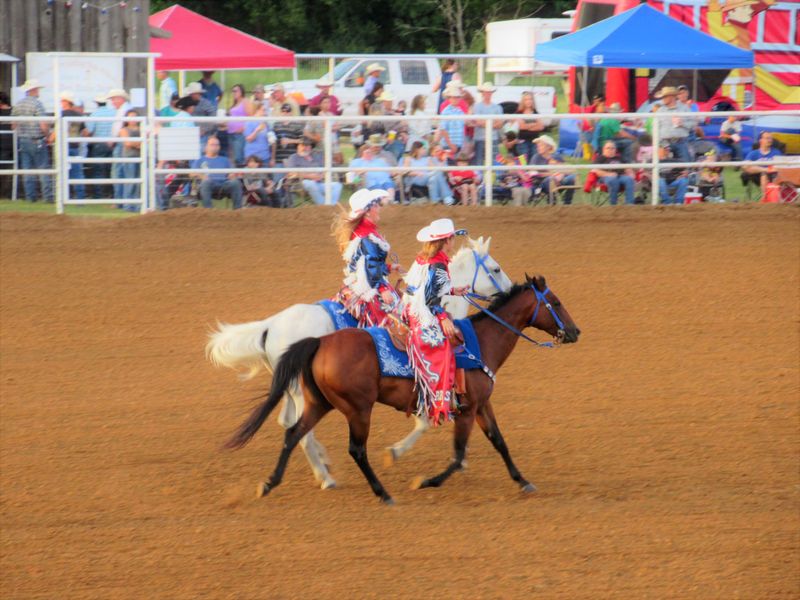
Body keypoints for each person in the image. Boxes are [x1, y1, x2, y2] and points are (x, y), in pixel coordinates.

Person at [402, 218, 470, 425]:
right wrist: (442, 319)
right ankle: (439, 402)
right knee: (444, 347)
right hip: (424, 313)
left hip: (410, 307)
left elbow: (428, 287)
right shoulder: (438, 264)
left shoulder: (424, 258)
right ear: (446, 241)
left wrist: (453, 290)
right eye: (452, 239)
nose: (453, 242)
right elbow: (431, 297)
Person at [333, 188, 400, 327]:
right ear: (368, 211)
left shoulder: (361, 231)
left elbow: (368, 263)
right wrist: (383, 289)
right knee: (395, 319)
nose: (379, 208)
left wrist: (388, 267)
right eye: (376, 205)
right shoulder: (367, 236)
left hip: (358, 282)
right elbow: (371, 264)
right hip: (369, 285)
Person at [11, 79, 53, 203]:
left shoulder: (18, 104)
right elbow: (43, 124)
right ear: (34, 90)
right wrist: (48, 135)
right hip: (37, 139)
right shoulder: (37, 104)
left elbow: (13, 125)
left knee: (27, 169)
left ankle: (30, 197)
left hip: (23, 140)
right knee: (43, 169)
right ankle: (47, 197)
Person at [285, 137, 342, 205]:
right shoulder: (294, 157)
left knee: (337, 185)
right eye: (302, 145)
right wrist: (310, 176)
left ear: (310, 147)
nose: (304, 148)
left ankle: (331, 204)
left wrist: (321, 175)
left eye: (307, 145)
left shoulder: (316, 156)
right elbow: (291, 173)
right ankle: (325, 206)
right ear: (298, 147)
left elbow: (325, 169)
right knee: (310, 184)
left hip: (319, 182)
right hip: (301, 183)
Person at [191, 136, 243, 209]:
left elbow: (232, 172)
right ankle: (208, 210)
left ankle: (238, 209)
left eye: (217, 145)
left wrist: (232, 175)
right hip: (209, 185)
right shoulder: (200, 160)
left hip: (224, 185)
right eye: (212, 145)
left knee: (235, 182)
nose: (215, 147)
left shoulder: (225, 160)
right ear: (206, 147)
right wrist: (201, 176)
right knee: (206, 182)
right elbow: (191, 173)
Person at [531, 134, 576, 205]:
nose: (538, 147)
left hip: (559, 181)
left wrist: (561, 172)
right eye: (537, 146)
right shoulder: (536, 157)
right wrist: (551, 174)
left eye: (541, 145)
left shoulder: (556, 157)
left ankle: (567, 203)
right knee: (550, 179)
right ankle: (552, 204)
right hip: (542, 184)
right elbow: (533, 173)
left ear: (548, 147)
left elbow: (568, 169)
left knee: (572, 178)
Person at [349, 137, 397, 203]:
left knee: (389, 185)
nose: (369, 153)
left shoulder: (380, 161)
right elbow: (353, 179)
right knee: (379, 188)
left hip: (384, 181)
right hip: (370, 184)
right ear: (362, 152)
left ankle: (390, 200)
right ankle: (385, 202)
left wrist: (394, 173)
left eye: (370, 152)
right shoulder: (356, 162)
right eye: (367, 152)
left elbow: (389, 172)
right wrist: (359, 174)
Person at [59, 91, 88, 201]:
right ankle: (80, 197)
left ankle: (62, 196)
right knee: (77, 172)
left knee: (62, 171)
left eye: (62, 101)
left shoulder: (61, 115)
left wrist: (49, 139)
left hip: (63, 146)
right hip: (75, 146)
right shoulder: (78, 115)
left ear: (66, 102)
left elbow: (56, 132)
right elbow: (85, 132)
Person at [589, 140, 636, 205]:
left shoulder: (619, 158)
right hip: (605, 178)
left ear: (615, 150)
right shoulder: (600, 158)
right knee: (613, 180)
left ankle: (630, 204)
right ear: (603, 150)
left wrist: (631, 174)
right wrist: (609, 174)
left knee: (629, 179)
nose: (610, 150)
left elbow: (627, 168)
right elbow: (595, 170)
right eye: (608, 148)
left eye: (612, 148)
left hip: (620, 176)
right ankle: (613, 205)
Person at [654, 86, 691, 162]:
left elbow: (693, 124)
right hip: (665, 143)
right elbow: (655, 129)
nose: (663, 99)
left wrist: (682, 123)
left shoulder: (684, 108)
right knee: (662, 165)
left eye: (664, 97)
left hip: (681, 142)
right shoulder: (660, 111)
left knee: (686, 164)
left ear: (671, 97)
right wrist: (662, 144)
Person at [470, 82, 503, 167]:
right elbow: (478, 122)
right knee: (479, 162)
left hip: (493, 138)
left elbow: (500, 124)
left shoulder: (497, 107)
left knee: (494, 162)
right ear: (482, 93)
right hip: (480, 138)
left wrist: (485, 123)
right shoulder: (477, 106)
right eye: (486, 92)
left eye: (489, 92)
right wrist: (493, 123)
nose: (488, 94)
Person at [118, 109, 142, 210]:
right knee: (130, 180)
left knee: (138, 182)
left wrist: (134, 143)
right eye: (130, 117)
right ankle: (128, 204)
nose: (133, 119)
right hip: (129, 157)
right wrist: (139, 144)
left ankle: (136, 205)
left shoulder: (141, 129)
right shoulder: (124, 130)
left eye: (134, 117)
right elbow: (127, 143)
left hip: (139, 157)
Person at [514, 91, 545, 163]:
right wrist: (534, 124)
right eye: (526, 99)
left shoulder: (536, 112)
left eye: (530, 99)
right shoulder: (519, 113)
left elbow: (541, 127)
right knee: (523, 162)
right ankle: (523, 170)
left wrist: (527, 126)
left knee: (534, 161)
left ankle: (532, 170)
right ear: (523, 101)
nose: (528, 101)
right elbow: (521, 126)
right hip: (522, 142)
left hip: (535, 141)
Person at [227, 84, 251, 167]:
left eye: (235, 91)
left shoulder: (245, 101)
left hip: (240, 134)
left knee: (239, 157)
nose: (233, 93)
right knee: (233, 157)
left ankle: (240, 173)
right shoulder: (234, 103)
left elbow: (251, 116)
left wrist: (244, 128)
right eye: (232, 91)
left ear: (241, 92)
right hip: (231, 133)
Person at [243, 101, 273, 167]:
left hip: (265, 156)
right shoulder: (249, 122)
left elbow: (271, 140)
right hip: (252, 157)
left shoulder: (266, 123)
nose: (265, 112)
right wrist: (257, 130)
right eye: (263, 110)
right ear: (257, 110)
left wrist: (272, 157)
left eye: (265, 110)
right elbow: (249, 139)